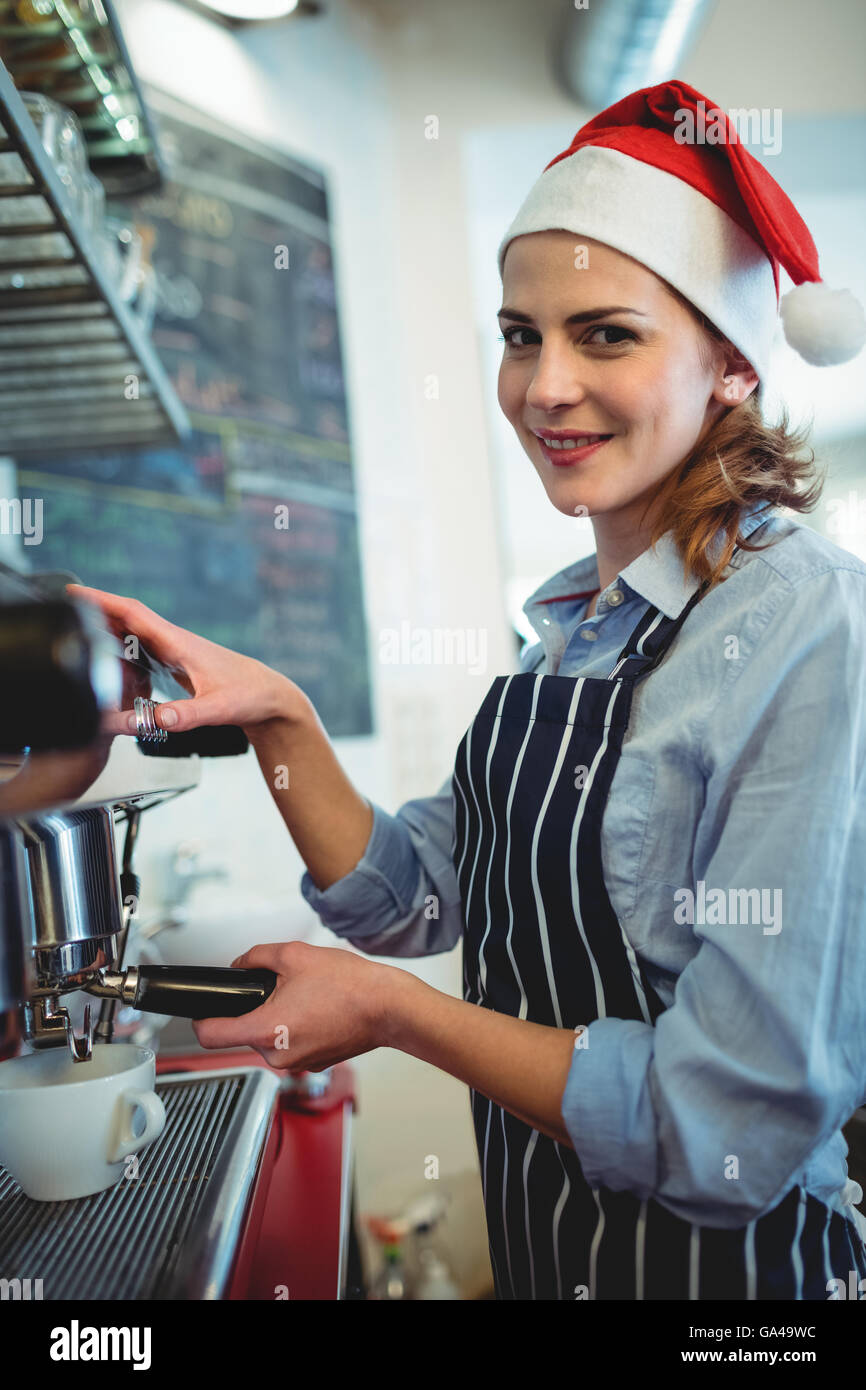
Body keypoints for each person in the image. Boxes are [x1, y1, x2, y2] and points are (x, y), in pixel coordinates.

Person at [70, 79, 866, 1301]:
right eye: (518, 334)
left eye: (604, 333)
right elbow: (412, 899)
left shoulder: (805, 624)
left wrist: (393, 1015)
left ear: (728, 365)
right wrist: (279, 716)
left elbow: (726, 1127)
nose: (542, 387)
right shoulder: (569, 628)